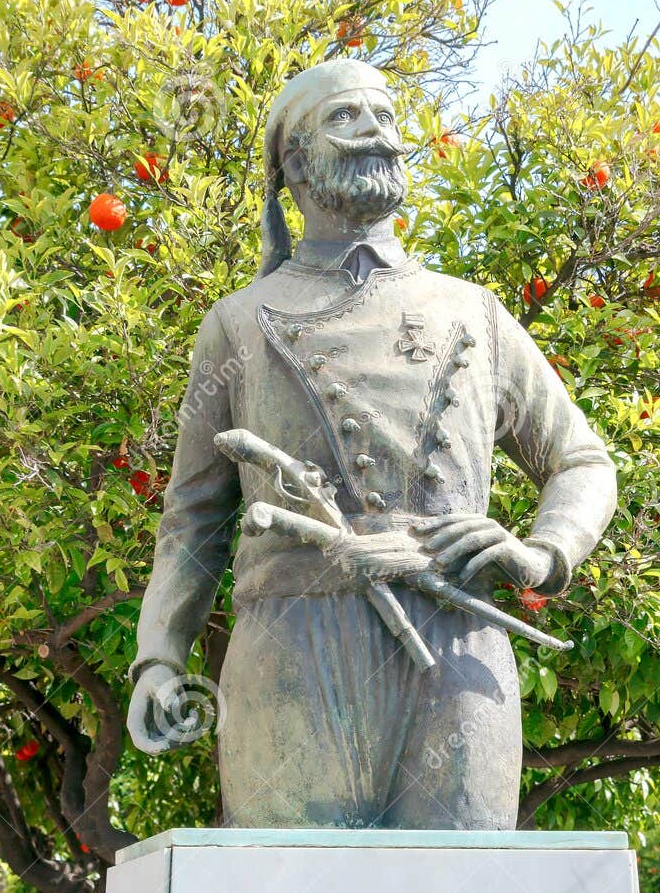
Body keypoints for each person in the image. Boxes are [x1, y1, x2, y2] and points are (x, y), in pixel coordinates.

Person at [128, 60, 617, 829]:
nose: (377, 132)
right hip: (293, 648)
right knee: (293, 890)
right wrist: (159, 657)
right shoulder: (238, 322)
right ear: (294, 162)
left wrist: (543, 553)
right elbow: (192, 518)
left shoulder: (474, 311)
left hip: (457, 644)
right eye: (346, 117)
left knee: (462, 889)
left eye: (385, 116)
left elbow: (581, 461)